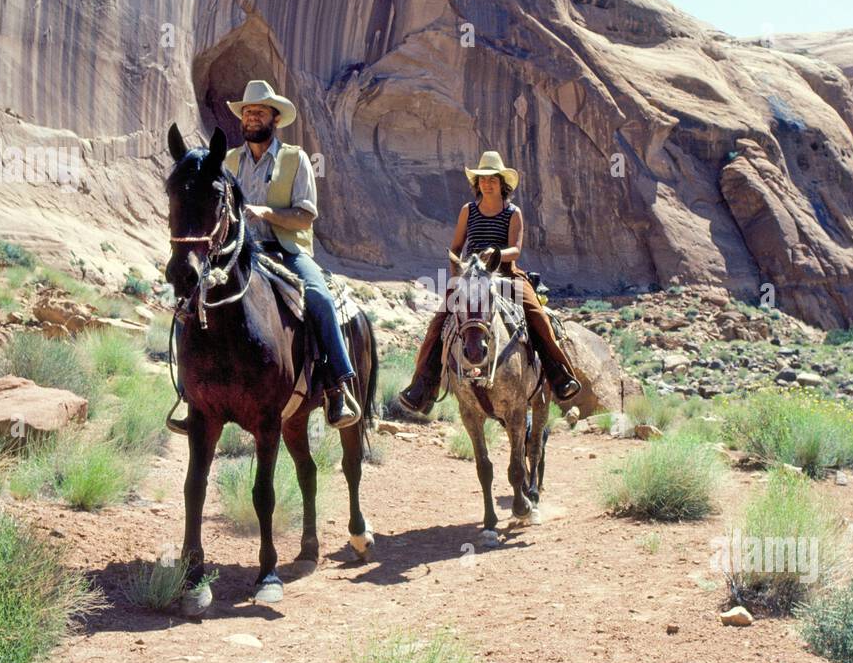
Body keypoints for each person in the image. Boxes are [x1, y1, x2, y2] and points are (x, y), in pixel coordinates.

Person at [171, 80, 360, 430]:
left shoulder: (296, 159)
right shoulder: (227, 160)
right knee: (188, 299)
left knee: (318, 296)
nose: (251, 118)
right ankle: (188, 394)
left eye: (258, 112)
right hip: (238, 254)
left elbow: (306, 214)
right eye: (247, 112)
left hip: (286, 250)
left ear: (275, 118)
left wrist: (266, 213)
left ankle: (338, 386)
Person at [398, 150, 581, 415]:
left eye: (492, 178)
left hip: (506, 275)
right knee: (437, 324)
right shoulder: (468, 211)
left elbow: (515, 250)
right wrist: (456, 274)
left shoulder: (513, 213)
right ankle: (423, 386)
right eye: (482, 179)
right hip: (472, 278)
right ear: (477, 183)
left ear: (502, 182)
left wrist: (495, 254)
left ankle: (559, 373)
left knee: (536, 316)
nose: (487, 183)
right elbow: (457, 246)